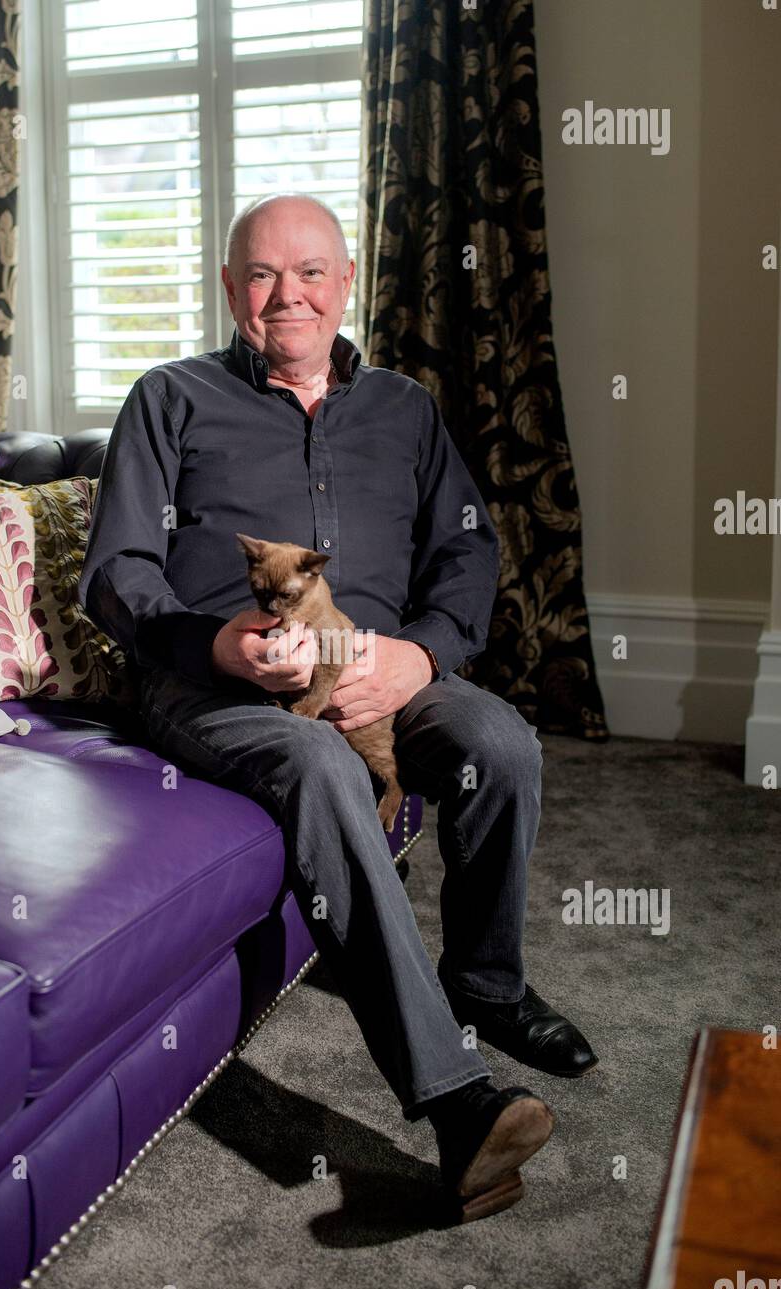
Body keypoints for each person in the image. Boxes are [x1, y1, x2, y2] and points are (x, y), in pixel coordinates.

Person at [77, 191, 598, 1222]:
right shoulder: (168, 397)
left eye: (310, 271)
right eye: (262, 275)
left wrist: (416, 658)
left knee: (498, 743)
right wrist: (218, 641)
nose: (288, 295)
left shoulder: (404, 408)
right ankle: (455, 1105)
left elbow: (465, 551)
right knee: (317, 768)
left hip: (378, 675)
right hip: (223, 688)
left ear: (345, 282)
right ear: (230, 289)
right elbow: (116, 573)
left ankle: (486, 987)